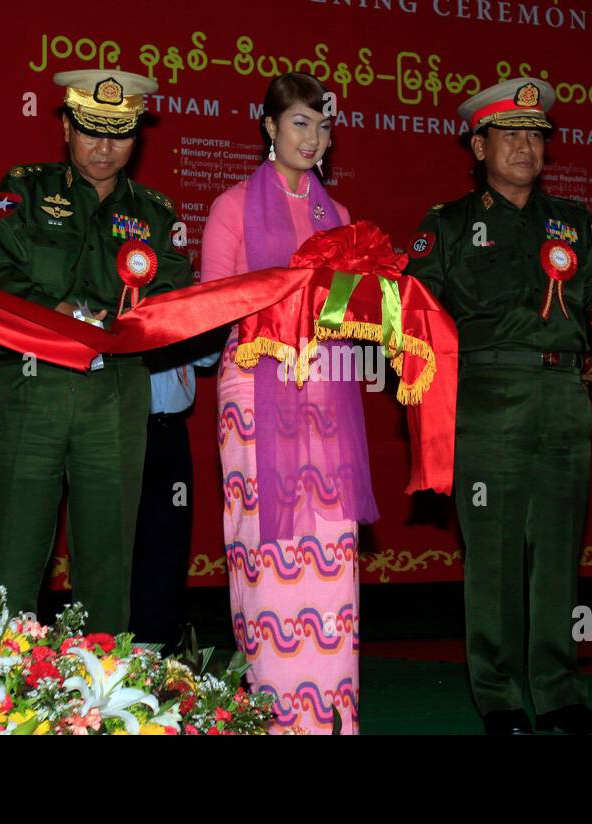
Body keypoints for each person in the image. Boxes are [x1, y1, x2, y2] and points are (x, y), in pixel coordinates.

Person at [403, 78, 592, 735]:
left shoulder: (573, 221)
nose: (527, 146)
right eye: (511, 134)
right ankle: (498, 697)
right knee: (495, 554)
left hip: (564, 396)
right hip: (488, 399)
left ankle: (560, 693)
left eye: (537, 135)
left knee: (558, 553)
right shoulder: (447, 224)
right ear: (479, 145)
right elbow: (413, 306)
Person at [0, 70, 192, 633]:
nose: (103, 148)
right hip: (31, 386)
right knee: (11, 554)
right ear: (67, 126)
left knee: (108, 557)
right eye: (91, 131)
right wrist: (63, 317)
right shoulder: (22, 189)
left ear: (137, 135)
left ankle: (102, 693)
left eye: (118, 134)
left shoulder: (155, 212)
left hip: (114, 395)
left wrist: (115, 324)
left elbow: (172, 298)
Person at [201, 72, 377, 734]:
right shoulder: (231, 207)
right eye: (299, 122)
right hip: (255, 384)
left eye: (323, 125)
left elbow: (351, 316)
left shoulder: (342, 220)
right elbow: (215, 302)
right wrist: (277, 323)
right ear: (269, 127)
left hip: (326, 390)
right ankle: (273, 710)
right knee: (269, 547)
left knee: (329, 547)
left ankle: (331, 712)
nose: (313, 137)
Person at [128, 341, 219, 649]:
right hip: (123, 424)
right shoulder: (120, 293)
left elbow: (210, 356)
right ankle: (123, 641)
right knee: (125, 536)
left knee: (170, 534)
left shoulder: (177, 292)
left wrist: (176, 330)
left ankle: (164, 639)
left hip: (171, 429)